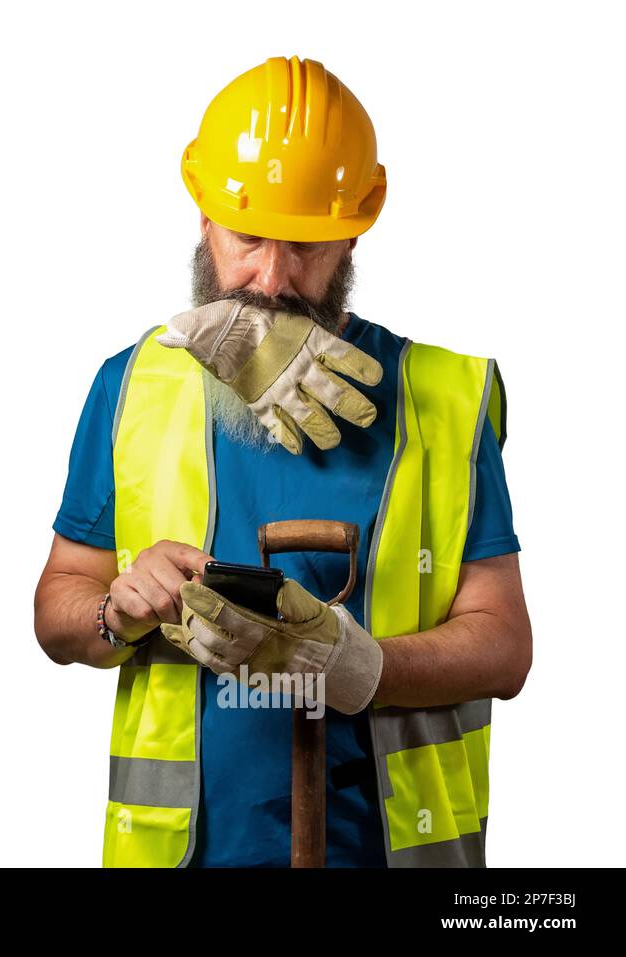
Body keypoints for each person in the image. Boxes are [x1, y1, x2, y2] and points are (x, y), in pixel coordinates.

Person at [32, 55, 532, 868]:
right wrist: (116, 612)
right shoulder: (132, 387)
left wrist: (356, 663)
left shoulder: (442, 395)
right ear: (203, 217)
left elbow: (505, 647)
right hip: (187, 854)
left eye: (304, 244)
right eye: (247, 236)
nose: (271, 277)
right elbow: (57, 608)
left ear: (354, 230)